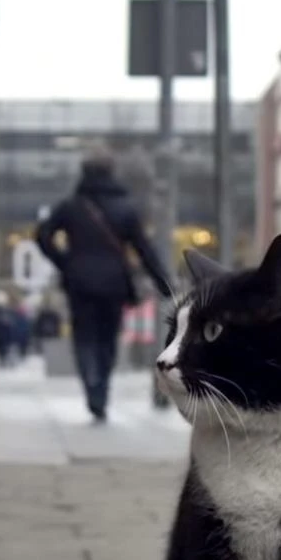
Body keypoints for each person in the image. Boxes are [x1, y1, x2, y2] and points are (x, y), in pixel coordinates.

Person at [36, 142, 171, 423]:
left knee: (84, 338)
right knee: (107, 339)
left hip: (79, 284)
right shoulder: (125, 208)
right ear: (113, 171)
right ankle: (102, 392)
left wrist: (65, 261)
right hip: (113, 285)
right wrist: (164, 284)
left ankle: (92, 389)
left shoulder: (71, 206)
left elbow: (43, 235)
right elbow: (144, 249)